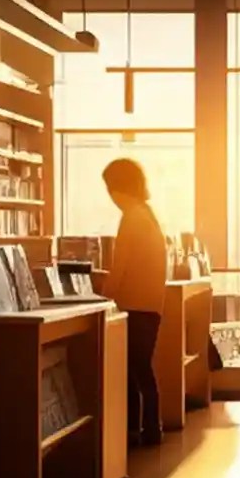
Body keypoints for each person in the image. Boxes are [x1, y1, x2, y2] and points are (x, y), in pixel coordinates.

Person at [100, 158, 167, 445]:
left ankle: (135, 430)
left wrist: (102, 295)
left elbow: (121, 268)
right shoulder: (148, 215)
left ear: (118, 188)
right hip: (151, 305)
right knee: (142, 369)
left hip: (135, 306)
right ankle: (150, 428)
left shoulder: (131, 218)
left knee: (132, 371)